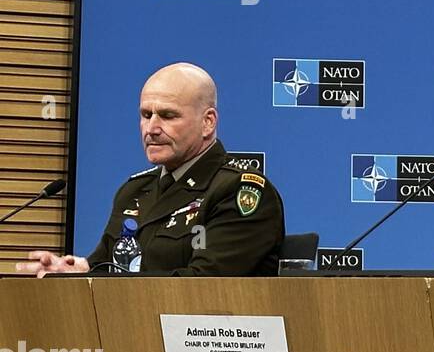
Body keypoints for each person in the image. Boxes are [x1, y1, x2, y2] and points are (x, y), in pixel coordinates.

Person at [17, 62, 284, 277]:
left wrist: (108, 280)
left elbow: (203, 286)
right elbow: (107, 265)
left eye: (168, 116)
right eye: (146, 115)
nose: (152, 129)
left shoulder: (238, 191)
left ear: (208, 122)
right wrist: (78, 271)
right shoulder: (135, 190)